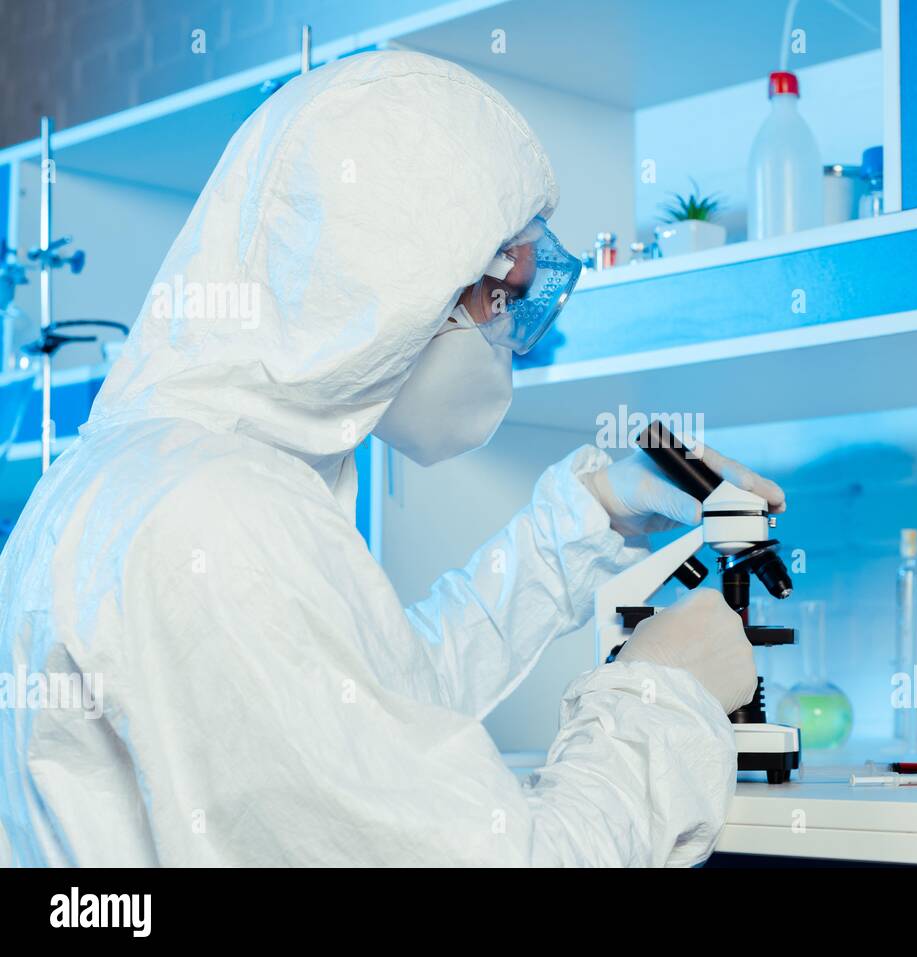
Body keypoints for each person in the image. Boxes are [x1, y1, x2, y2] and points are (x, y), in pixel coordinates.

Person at [0, 51, 785, 867]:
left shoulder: (148, 476)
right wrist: (656, 694)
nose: (509, 331)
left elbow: (373, 727)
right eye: (498, 294)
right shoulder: (219, 519)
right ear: (391, 290)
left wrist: (588, 515)